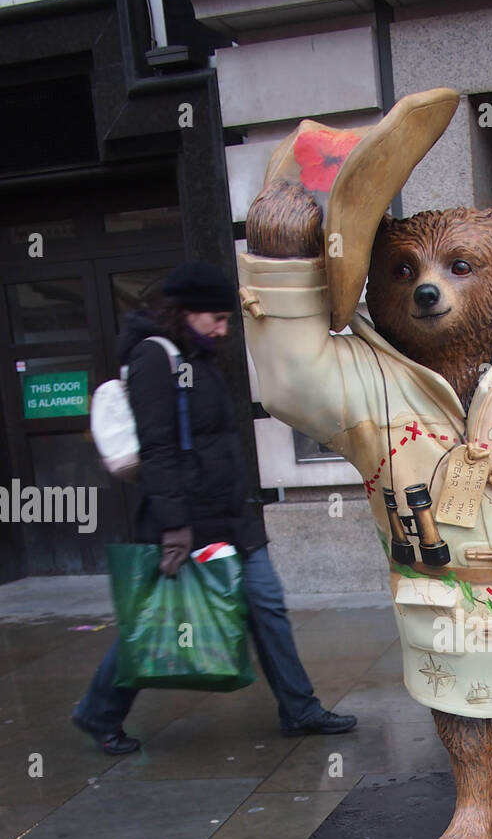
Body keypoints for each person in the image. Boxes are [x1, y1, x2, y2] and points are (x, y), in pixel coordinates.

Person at [74, 259, 356, 755]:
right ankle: (99, 711)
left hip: (230, 516)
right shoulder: (153, 359)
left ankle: (299, 708)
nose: (224, 329)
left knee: (267, 606)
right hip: (187, 521)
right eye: (216, 319)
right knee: (156, 620)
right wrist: (175, 527)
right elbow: (159, 449)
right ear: (184, 312)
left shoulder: (195, 357)